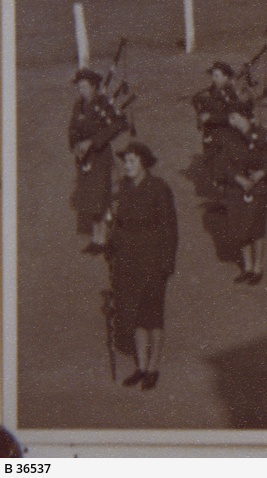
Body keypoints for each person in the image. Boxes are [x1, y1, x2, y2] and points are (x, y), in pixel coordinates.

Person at [105, 142, 177, 391]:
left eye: (132, 161)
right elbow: (117, 224)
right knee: (135, 315)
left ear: (143, 163)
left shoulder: (159, 188)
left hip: (152, 261)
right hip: (127, 260)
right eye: (125, 161)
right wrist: (110, 245)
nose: (127, 165)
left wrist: (166, 264)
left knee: (153, 316)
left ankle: (153, 369)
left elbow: (169, 229)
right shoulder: (122, 188)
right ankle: (141, 367)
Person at [216, 111, 267, 285]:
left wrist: (263, 173)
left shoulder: (262, 134)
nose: (234, 121)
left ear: (246, 117)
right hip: (237, 189)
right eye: (231, 117)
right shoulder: (228, 138)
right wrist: (238, 178)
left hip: (258, 188)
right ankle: (247, 267)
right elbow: (222, 162)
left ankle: (258, 267)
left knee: (256, 228)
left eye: (237, 117)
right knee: (241, 228)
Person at [69, 68, 129, 254]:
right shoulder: (78, 105)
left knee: (100, 198)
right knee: (90, 199)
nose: (82, 91)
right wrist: (76, 145)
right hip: (83, 159)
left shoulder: (103, 104)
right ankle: (96, 239)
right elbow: (72, 128)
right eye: (79, 87)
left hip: (100, 156)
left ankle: (103, 240)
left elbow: (120, 123)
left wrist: (93, 142)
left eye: (85, 87)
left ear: (94, 87)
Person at [191, 61, 251, 197]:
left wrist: (211, 117)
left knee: (227, 167)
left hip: (229, 136)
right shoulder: (208, 93)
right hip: (212, 136)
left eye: (217, 76)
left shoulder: (234, 94)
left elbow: (235, 115)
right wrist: (202, 118)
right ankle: (219, 196)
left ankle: (229, 196)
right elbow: (202, 111)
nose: (214, 79)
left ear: (226, 77)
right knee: (214, 166)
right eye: (213, 75)